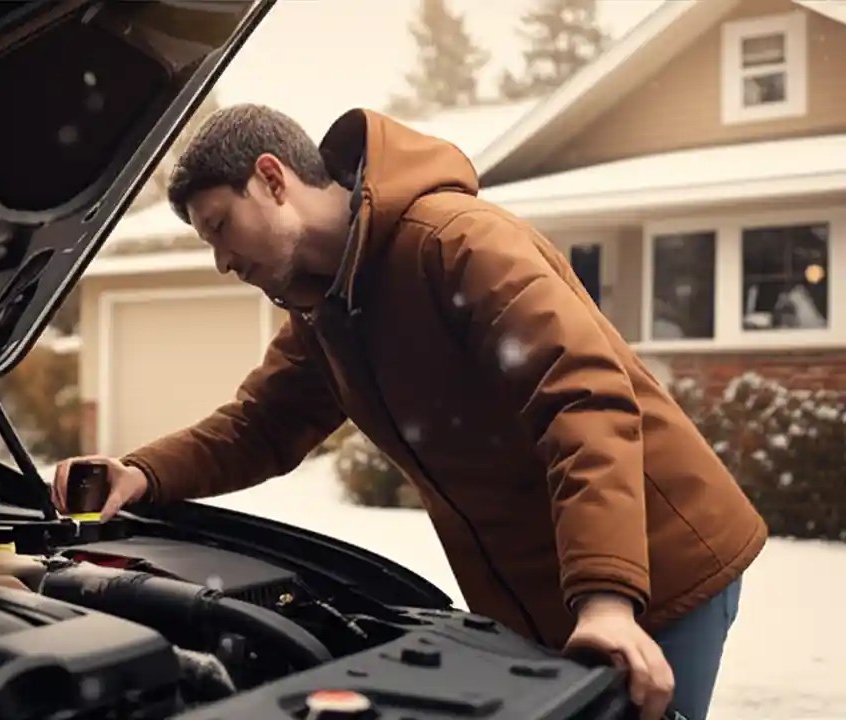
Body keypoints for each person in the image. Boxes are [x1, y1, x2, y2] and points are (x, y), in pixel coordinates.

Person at [52, 104, 765, 720]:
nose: (221, 261)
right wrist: (141, 472)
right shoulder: (326, 310)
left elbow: (583, 400)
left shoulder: (458, 244)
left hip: (656, 568)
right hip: (544, 597)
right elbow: (258, 427)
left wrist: (607, 598)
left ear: (272, 179)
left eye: (219, 226)